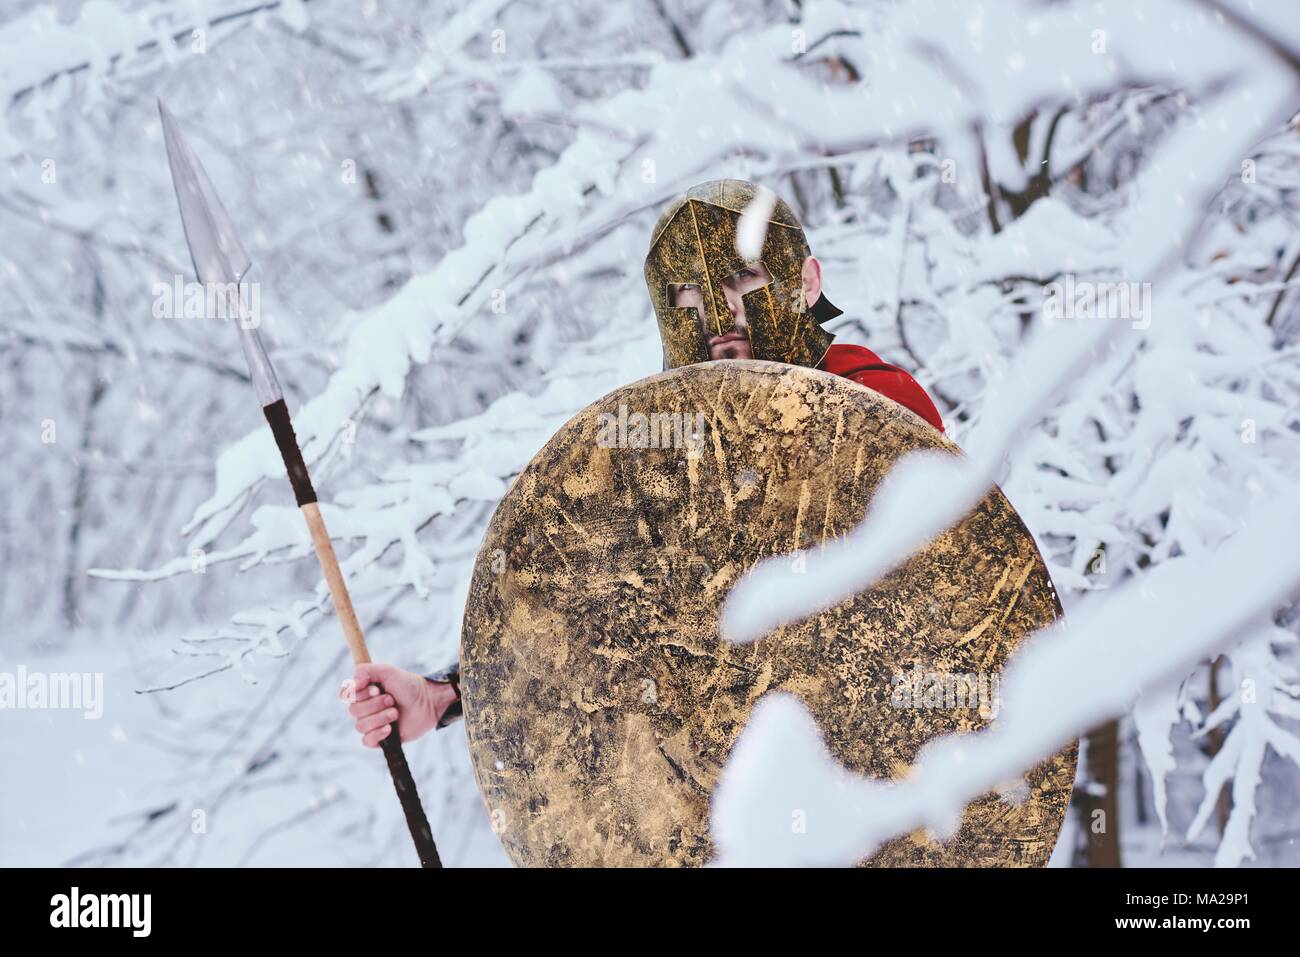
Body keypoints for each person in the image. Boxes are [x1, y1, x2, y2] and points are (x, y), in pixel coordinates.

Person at [341, 178, 944, 749]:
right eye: (690, 293)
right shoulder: (664, 453)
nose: (720, 315)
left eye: (743, 281)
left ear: (806, 281)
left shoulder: (879, 403)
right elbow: (605, 615)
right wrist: (446, 695)